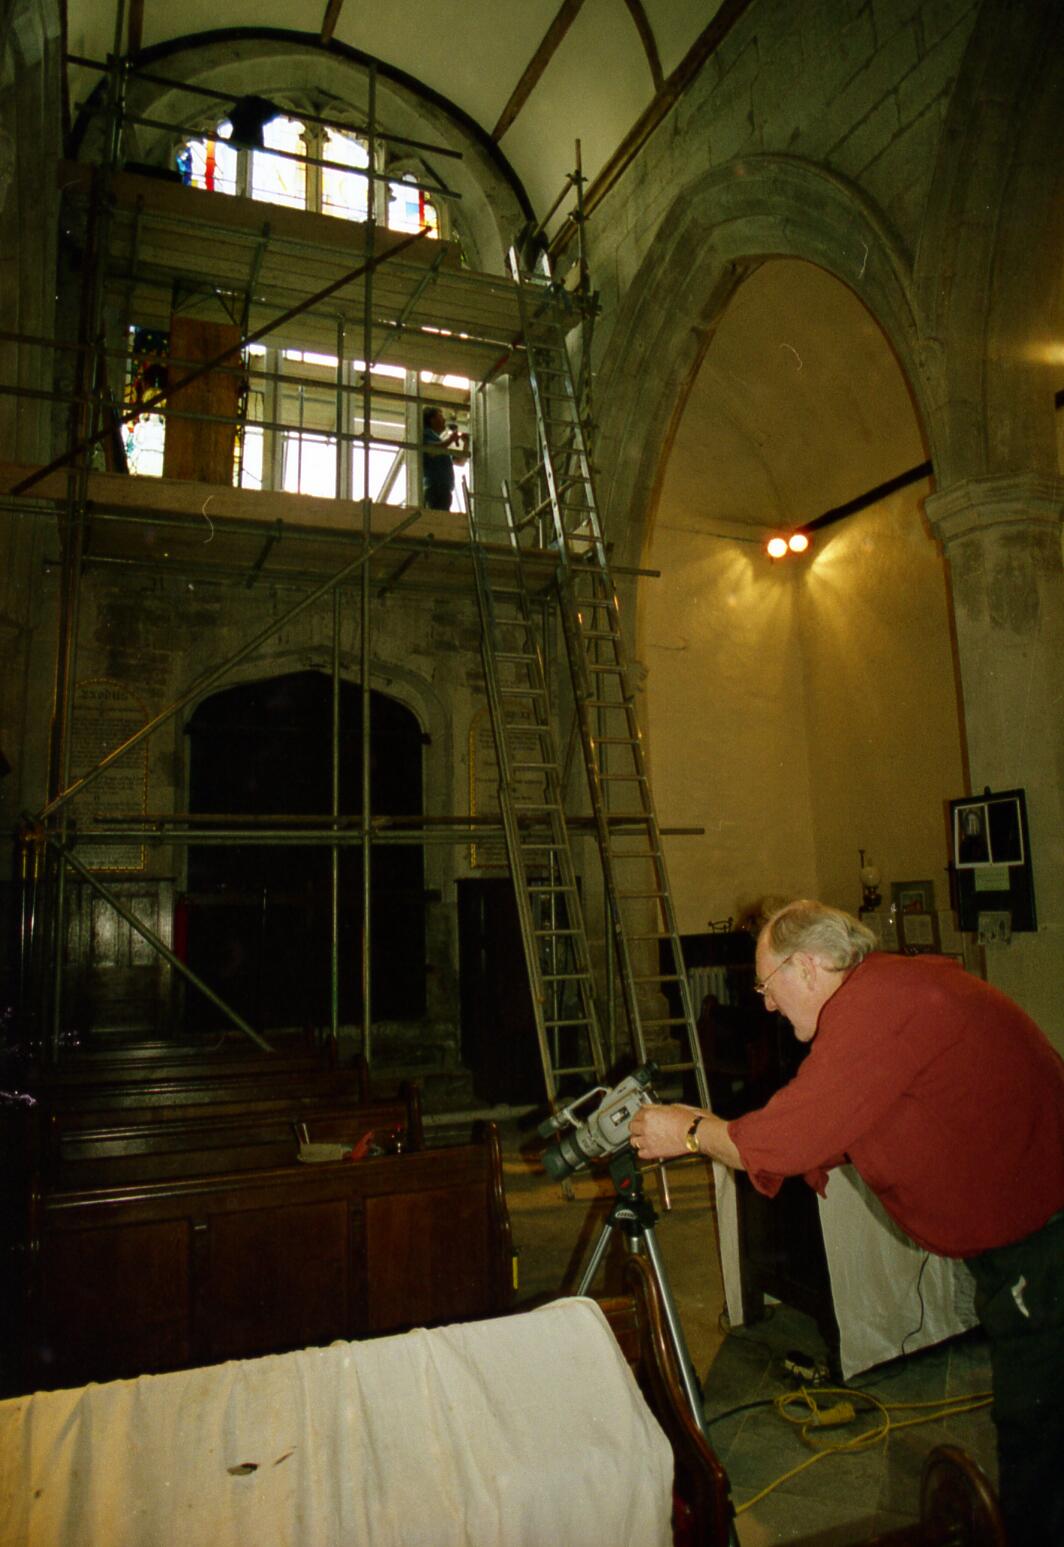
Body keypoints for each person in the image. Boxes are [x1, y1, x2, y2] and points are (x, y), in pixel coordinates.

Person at [629, 899, 1064, 1547]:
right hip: (1031, 1225)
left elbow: (787, 1136)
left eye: (766, 984)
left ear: (806, 967)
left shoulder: (875, 1005)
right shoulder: (889, 987)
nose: (768, 1005)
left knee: (1039, 1434)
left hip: (1044, 1236)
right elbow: (851, 1111)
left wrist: (688, 1131)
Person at [421, 405, 467, 511]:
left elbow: (460, 462)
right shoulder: (426, 434)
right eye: (440, 416)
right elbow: (431, 451)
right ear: (431, 420)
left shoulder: (438, 439)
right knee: (437, 518)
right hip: (436, 488)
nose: (444, 420)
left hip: (442, 489)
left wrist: (466, 444)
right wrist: (450, 440)